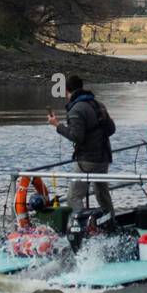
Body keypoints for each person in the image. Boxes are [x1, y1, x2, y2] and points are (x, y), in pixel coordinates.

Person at [47, 75, 116, 216]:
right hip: (104, 157)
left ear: (67, 91)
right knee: (102, 194)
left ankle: (81, 228)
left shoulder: (76, 110)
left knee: (73, 196)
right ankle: (110, 223)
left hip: (87, 160)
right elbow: (111, 130)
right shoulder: (98, 104)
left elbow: (76, 137)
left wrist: (57, 125)